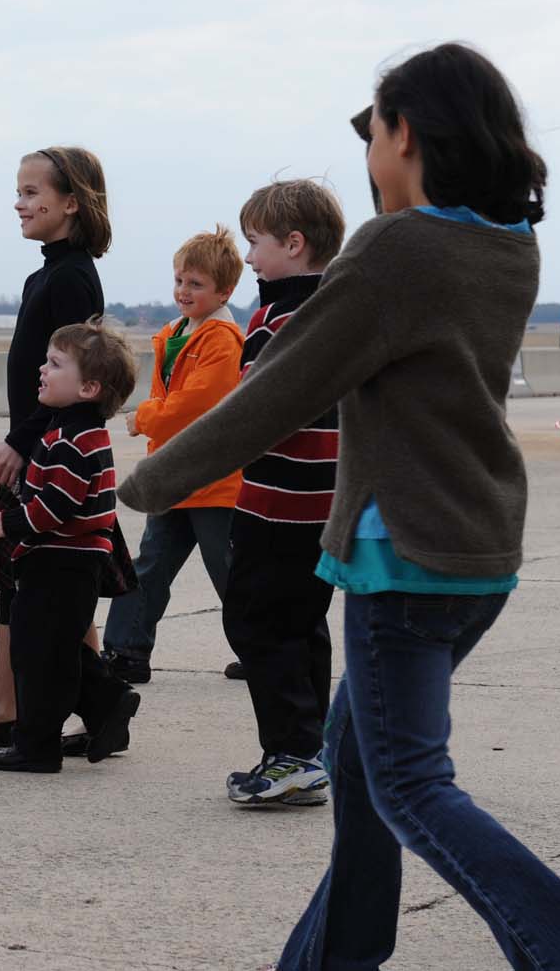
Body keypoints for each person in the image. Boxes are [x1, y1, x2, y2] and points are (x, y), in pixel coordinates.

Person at [120, 44, 560, 971]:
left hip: (398, 549)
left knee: (407, 783)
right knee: (363, 775)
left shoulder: (398, 249)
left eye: (376, 132)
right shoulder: (508, 244)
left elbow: (282, 386)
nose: (369, 154)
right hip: (480, 544)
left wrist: (151, 480)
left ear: (405, 134)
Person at [0, 147, 130, 749]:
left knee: (38, 579)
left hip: (49, 452)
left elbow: (73, 377)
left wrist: (22, 443)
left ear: (72, 202)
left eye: (34, 192)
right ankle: (95, 708)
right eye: (19, 191)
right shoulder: (48, 273)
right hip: (39, 442)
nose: (21, 202)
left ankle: (10, 707)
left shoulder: (70, 277)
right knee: (60, 584)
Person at [222, 180, 346, 806]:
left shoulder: (281, 317)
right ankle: (310, 747)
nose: (248, 258)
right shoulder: (341, 310)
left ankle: (291, 753)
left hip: (279, 502)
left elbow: (263, 410)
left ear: (294, 245)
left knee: (256, 621)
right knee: (303, 625)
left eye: (255, 243)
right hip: (325, 503)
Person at [0, 318, 142, 773]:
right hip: (59, 562)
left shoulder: (74, 440)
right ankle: (106, 703)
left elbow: (57, 506)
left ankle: (36, 745)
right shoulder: (65, 432)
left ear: (89, 388)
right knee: (55, 648)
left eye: (55, 364)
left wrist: (9, 523)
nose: (42, 370)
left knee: (36, 657)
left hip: (61, 565)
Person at [101, 227, 245, 684]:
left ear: (224, 291)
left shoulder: (222, 339)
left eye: (196, 284)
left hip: (215, 482)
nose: (183, 291)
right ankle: (126, 652)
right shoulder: (176, 334)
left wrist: (144, 417)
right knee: (148, 566)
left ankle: (266, 650)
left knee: (230, 574)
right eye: (180, 280)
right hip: (173, 475)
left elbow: (198, 404)